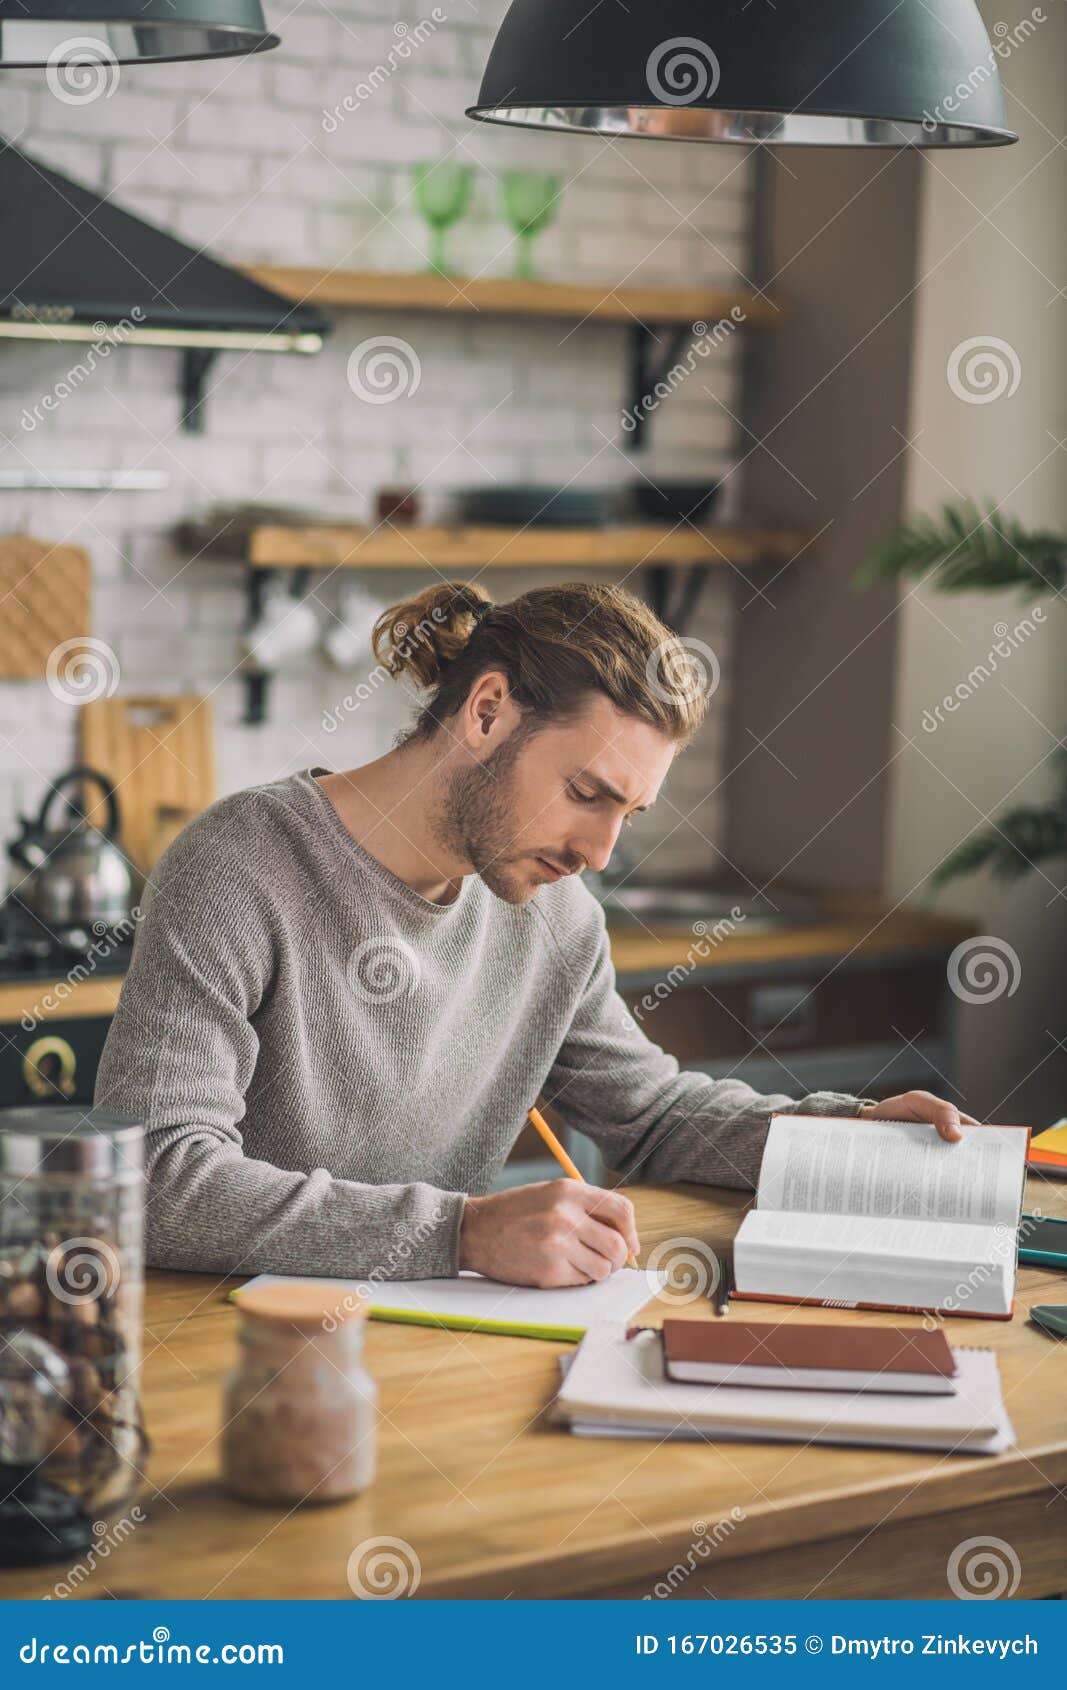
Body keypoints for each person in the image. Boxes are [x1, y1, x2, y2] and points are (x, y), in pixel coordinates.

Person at [96, 580, 975, 1288]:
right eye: (586, 794)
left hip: (435, 1342)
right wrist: (461, 1233)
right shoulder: (240, 866)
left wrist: (841, 1137)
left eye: (628, 814)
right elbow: (157, 1178)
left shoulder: (555, 915)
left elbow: (652, 1117)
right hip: (240, 1353)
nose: (599, 852)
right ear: (486, 712)